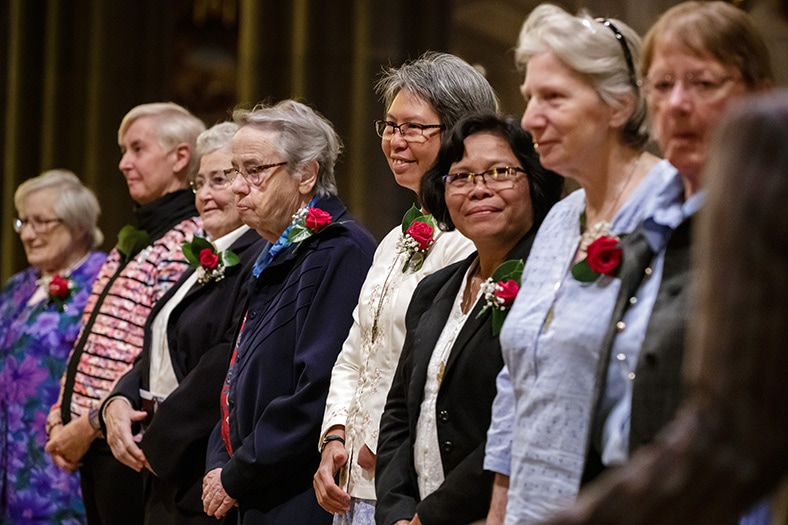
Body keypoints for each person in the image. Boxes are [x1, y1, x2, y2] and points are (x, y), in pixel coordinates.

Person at [540, 4, 778, 525]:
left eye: (704, 83)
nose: (678, 104)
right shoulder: (646, 229)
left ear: (760, 96)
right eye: (662, 85)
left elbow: (735, 433)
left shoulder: (762, 228)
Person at [482, 4, 678, 523]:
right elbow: (515, 383)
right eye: (529, 97)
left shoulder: (668, 209)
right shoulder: (560, 219)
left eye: (553, 97)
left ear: (619, 106)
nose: (529, 119)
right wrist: (500, 508)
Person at [315, 51, 498, 524]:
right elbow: (356, 350)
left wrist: (386, 447)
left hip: (410, 483)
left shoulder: (471, 244)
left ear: (458, 133)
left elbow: (448, 375)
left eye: (414, 127)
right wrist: (335, 435)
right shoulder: (394, 241)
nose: (396, 140)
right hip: (350, 478)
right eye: (391, 126)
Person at [375, 114, 563, 525]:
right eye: (460, 177)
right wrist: (396, 511)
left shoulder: (552, 282)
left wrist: (432, 516)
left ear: (534, 181)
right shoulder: (434, 290)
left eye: (499, 172)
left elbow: (524, 421)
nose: (479, 189)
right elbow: (399, 412)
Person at [201, 99, 376, 524]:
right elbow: (237, 373)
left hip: (297, 493)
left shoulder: (340, 250)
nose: (238, 187)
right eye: (234, 172)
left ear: (306, 174)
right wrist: (218, 460)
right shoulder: (273, 251)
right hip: (255, 487)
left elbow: (316, 389)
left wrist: (236, 473)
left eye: (254, 170)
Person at [45, 102, 205, 524]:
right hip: (91, 438)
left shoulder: (189, 240)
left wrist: (88, 424)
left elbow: (156, 355)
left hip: (124, 438)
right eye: (122, 151)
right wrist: (62, 411)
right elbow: (92, 336)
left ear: (180, 157)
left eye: (137, 149)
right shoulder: (138, 237)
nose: (123, 163)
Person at [100, 121, 265, 524]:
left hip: (194, 464)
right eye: (199, 183)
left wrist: (157, 442)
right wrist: (119, 399)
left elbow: (223, 362)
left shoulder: (257, 257)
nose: (205, 195)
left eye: (219, 180)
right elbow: (160, 344)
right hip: (163, 466)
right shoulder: (203, 257)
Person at [0, 170, 105, 524]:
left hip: (62, 467)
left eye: (41, 222)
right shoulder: (18, 287)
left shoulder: (104, 280)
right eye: (23, 222)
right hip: (11, 465)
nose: (28, 234)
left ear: (78, 226)